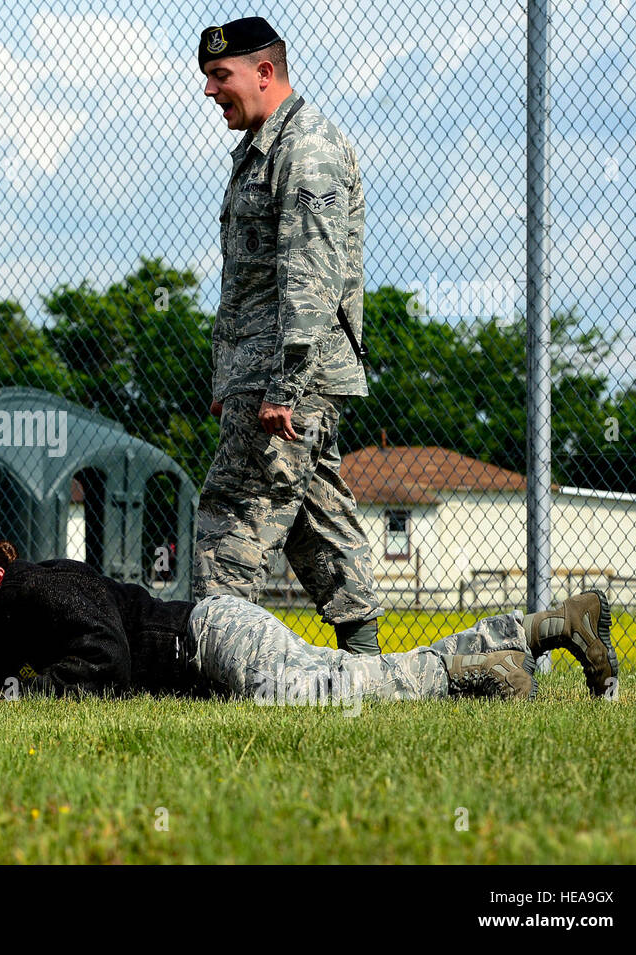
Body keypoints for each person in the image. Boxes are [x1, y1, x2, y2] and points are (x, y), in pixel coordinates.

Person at [0, 533, 620, 705]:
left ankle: (484, 665)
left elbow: (106, 661)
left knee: (345, 692)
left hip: (211, 643)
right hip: (217, 638)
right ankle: (542, 629)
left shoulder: (45, 587)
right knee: (364, 673)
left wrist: (15, 700)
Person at [195, 16, 383, 657]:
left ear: (264, 72)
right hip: (265, 369)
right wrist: (229, 380)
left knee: (235, 503)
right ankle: (364, 656)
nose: (211, 90)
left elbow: (310, 277)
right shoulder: (262, 149)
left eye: (221, 76)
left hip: (290, 373)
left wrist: (281, 386)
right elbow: (247, 284)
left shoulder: (307, 147)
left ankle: (212, 654)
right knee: (311, 512)